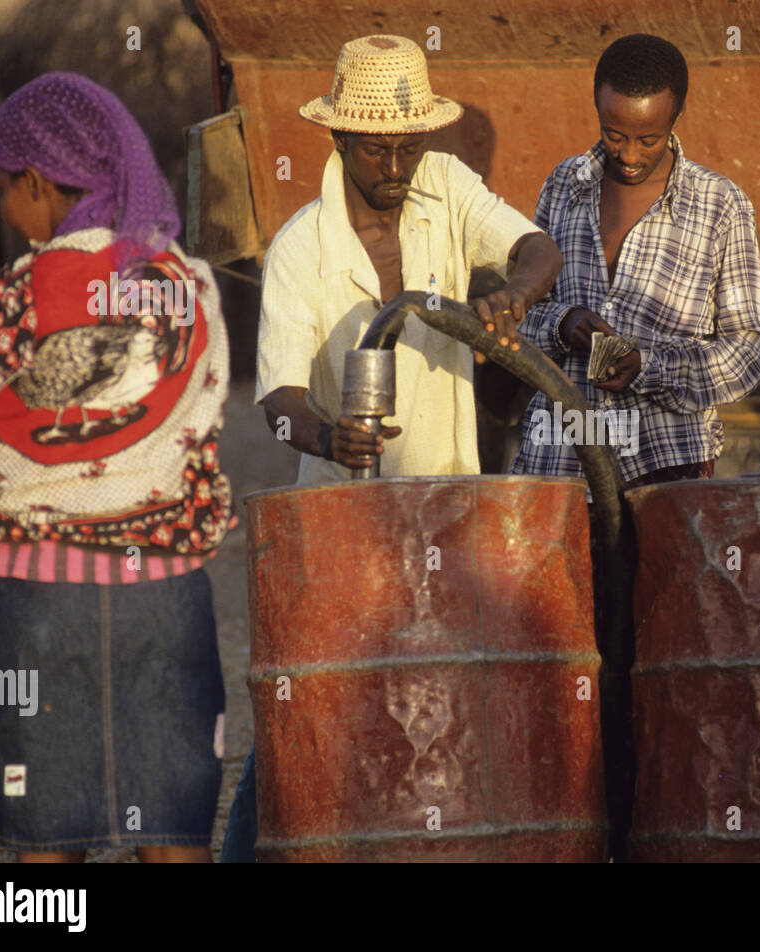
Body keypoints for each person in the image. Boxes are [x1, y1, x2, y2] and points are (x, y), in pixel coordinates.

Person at [221, 34, 561, 861]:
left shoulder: (445, 187)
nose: (398, 162)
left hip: (450, 505)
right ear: (338, 139)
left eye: (410, 144)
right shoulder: (303, 245)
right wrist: (328, 436)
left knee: (445, 696)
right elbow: (273, 405)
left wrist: (513, 297)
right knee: (325, 699)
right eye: (380, 146)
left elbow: (537, 248)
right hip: (346, 521)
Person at [0, 72, 233, 862]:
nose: (3, 205)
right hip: (165, 597)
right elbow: (199, 426)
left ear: (37, 182)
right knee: (173, 838)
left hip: (36, 603)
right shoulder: (189, 291)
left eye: (3, 185)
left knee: (45, 845)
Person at [510, 33, 760, 488]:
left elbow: (749, 348)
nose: (629, 155)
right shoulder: (562, 186)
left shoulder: (719, 204)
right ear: (597, 111)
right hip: (560, 459)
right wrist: (564, 322)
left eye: (648, 139)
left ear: (676, 118)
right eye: (614, 135)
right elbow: (521, 314)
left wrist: (649, 366)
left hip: (664, 464)